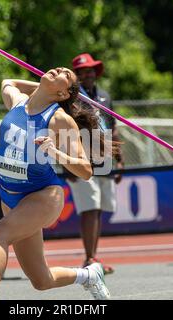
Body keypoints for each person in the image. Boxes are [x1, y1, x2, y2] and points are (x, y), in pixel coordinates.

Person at [0, 67, 117, 300]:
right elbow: (7, 81)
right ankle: (89, 275)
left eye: (66, 74)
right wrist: (43, 88)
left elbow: (86, 170)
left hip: (43, 195)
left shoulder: (60, 120)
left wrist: (56, 153)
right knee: (41, 280)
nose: (59, 69)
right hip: (10, 196)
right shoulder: (18, 102)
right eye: (60, 68)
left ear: (62, 94)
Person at [68, 53, 125, 274]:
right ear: (76, 77)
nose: (87, 74)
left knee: (99, 208)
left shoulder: (104, 96)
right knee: (89, 208)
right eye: (81, 72)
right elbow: (61, 128)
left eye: (90, 70)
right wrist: (66, 164)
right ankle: (89, 258)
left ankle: (93, 256)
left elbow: (113, 128)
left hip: (105, 158)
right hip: (81, 157)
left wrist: (120, 160)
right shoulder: (69, 97)